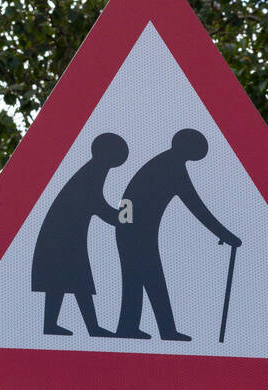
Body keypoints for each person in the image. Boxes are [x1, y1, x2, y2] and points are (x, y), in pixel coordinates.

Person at [114, 129, 241, 340]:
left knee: (137, 280)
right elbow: (196, 207)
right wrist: (226, 236)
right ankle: (164, 330)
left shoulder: (166, 162)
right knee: (151, 280)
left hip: (132, 231)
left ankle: (130, 328)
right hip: (136, 232)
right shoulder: (171, 167)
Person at [32, 133, 129, 336]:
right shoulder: (94, 171)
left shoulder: (94, 169)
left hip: (65, 234)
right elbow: (96, 203)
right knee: (74, 280)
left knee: (66, 280)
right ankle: (88, 328)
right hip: (64, 236)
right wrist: (123, 216)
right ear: (108, 154)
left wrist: (118, 217)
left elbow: (94, 203)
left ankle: (64, 326)